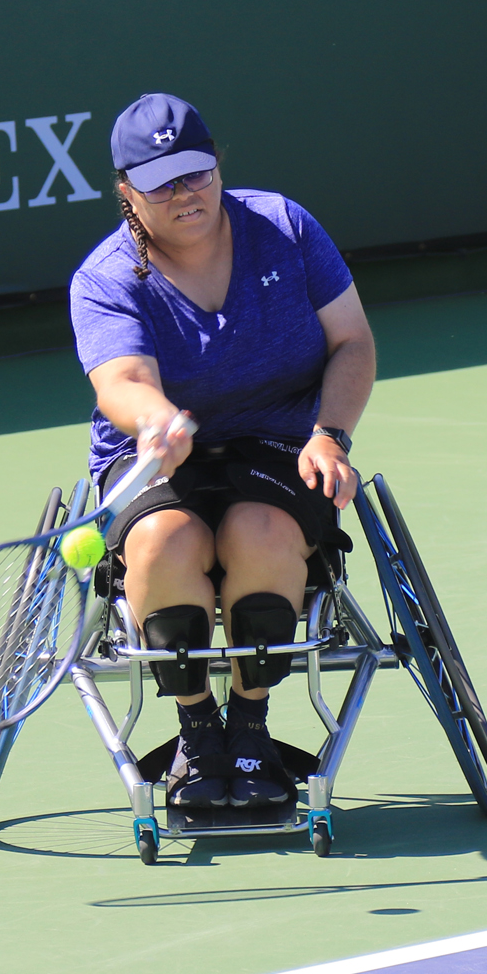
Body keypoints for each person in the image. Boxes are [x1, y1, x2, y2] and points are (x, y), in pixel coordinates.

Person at [68, 93, 376, 810]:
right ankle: (197, 733)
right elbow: (122, 379)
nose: (185, 193)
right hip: (155, 456)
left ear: (217, 164)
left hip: (277, 442)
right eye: (162, 181)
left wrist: (330, 432)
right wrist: (156, 420)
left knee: (261, 532)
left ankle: (249, 727)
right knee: (164, 543)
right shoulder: (107, 278)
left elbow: (352, 340)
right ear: (127, 192)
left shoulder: (284, 227)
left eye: (196, 172)